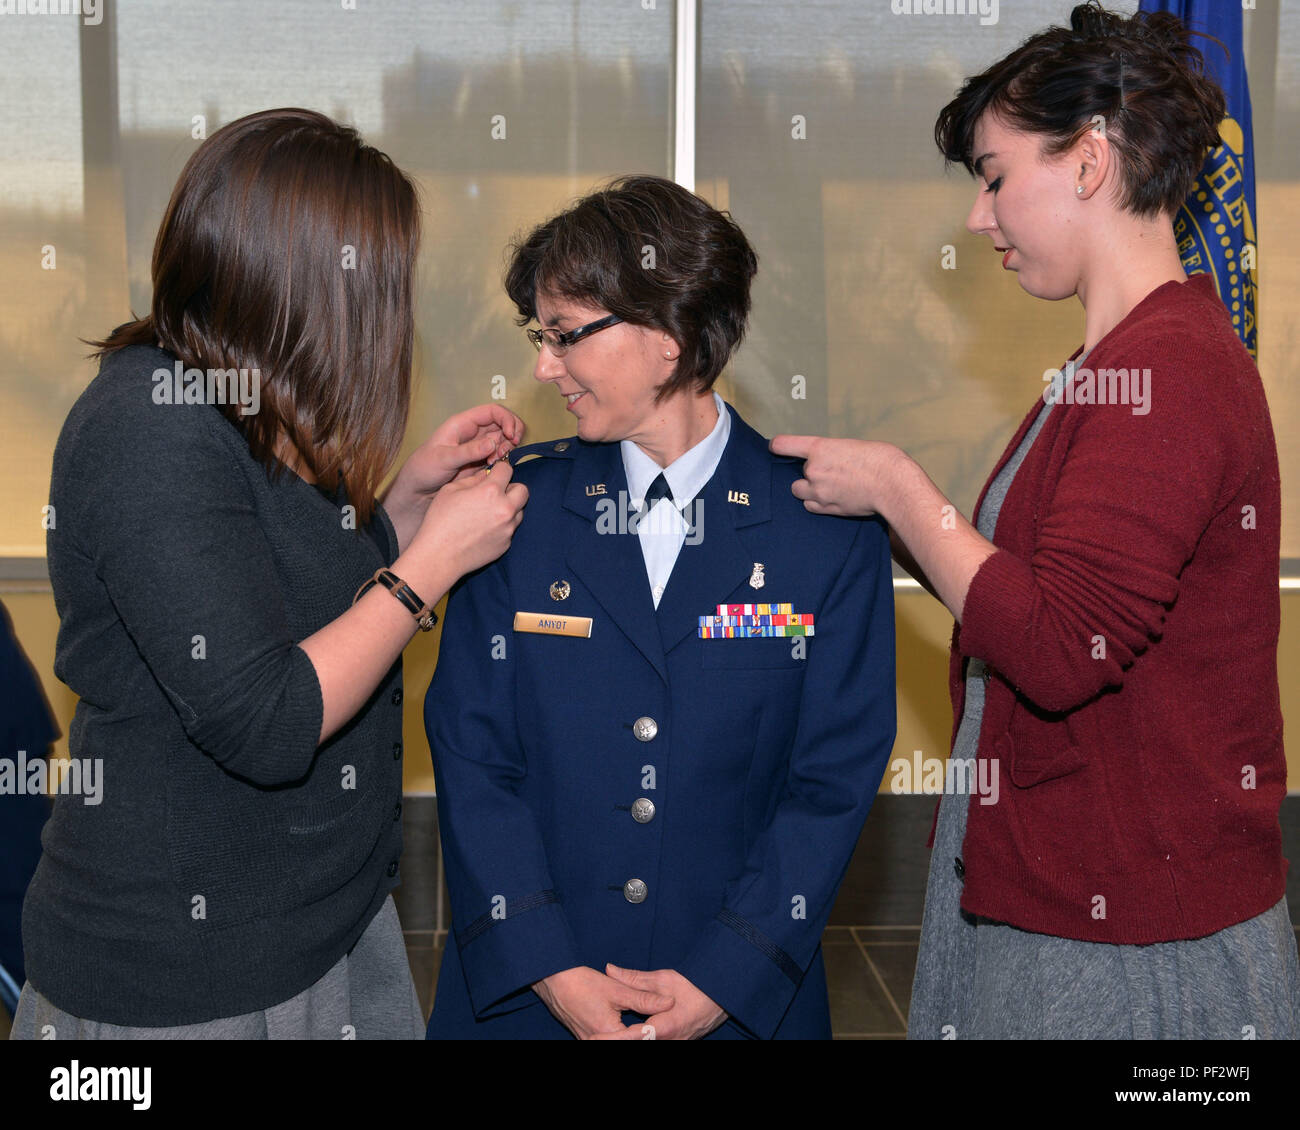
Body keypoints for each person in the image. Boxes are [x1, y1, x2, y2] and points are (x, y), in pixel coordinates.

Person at [773, 2, 1299, 1039]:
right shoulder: (1116, 368)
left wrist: (901, 488)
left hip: (1129, 945)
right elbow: (1029, 590)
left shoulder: (1168, 372)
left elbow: (1061, 643)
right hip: (1063, 897)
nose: (979, 217)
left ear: (1090, 162)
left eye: (993, 173)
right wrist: (872, 514)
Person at [12, 108, 529, 1039]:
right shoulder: (152, 428)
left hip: (317, 932)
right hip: (184, 977)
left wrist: (405, 504)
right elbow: (268, 717)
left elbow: (284, 592)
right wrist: (428, 565)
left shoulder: (242, 401)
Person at [424, 175, 897, 1040]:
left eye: (565, 336)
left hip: (741, 1002)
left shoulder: (821, 530)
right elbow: (471, 755)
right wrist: (554, 971)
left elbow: (831, 781)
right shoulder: (512, 515)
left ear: (670, 335)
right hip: (528, 995)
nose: (542, 366)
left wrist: (727, 975)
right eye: (540, 336)